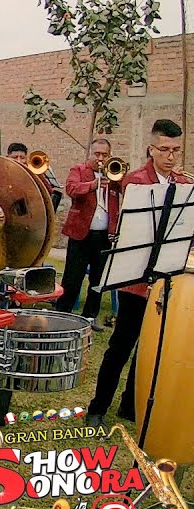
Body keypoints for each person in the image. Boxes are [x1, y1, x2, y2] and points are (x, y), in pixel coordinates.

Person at [85, 119, 191, 427]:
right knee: (121, 345)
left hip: (165, 279)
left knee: (149, 347)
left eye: (176, 150)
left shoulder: (183, 184)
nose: (170, 157)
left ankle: (130, 405)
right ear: (151, 149)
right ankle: (98, 407)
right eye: (164, 150)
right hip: (134, 277)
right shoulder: (136, 181)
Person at [56, 139, 120, 332]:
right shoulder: (79, 170)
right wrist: (93, 184)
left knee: (98, 280)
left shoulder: (114, 173)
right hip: (80, 234)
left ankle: (90, 317)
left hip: (103, 236)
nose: (100, 158)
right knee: (72, 278)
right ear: (90, 154)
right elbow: (71, 190)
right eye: (97, 154)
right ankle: (62, 316)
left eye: (105, 155)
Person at [7, 141, 64, 209]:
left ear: (26, 159)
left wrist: (37, 174)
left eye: (22, 158)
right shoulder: (1, 172)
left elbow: (48, 193)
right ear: (7, 157)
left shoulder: (33, 173)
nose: (18, 161)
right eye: (15, 157)